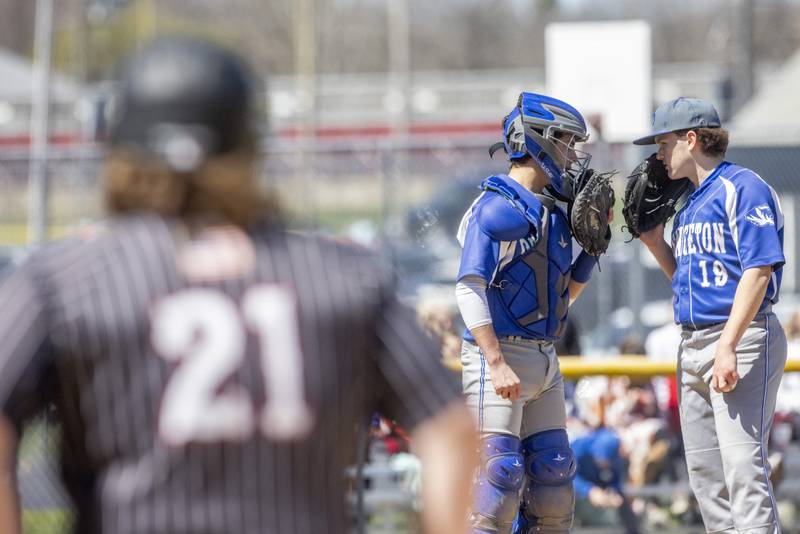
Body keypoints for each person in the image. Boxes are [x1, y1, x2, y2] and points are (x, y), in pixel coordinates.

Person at [0, 37, 477, 534]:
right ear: (248, 148)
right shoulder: (341, 277)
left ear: (121, 152)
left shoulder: (67, 281)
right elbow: (451, 427)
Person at [455, 92, 608, 534]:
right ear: (536, 139)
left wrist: (590, 253)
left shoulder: (554, 216)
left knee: (553, 484)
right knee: (497, 484)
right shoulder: (495, 206)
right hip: (498, 356)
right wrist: (495, 361)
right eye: (565, 140)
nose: (572, 154)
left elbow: (561, 300)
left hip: (544, 357)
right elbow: (469, 288)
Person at [634, 97, 787, 533]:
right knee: (705, 477)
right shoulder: (690, 204)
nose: (659, 154)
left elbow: (759, 271)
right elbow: (687, 278)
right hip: (693, 342)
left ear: (692, 138)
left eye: (664, 143)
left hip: (740, 338)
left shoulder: (744, 187)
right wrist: (654, 243)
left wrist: (728, 345)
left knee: (743, 469)